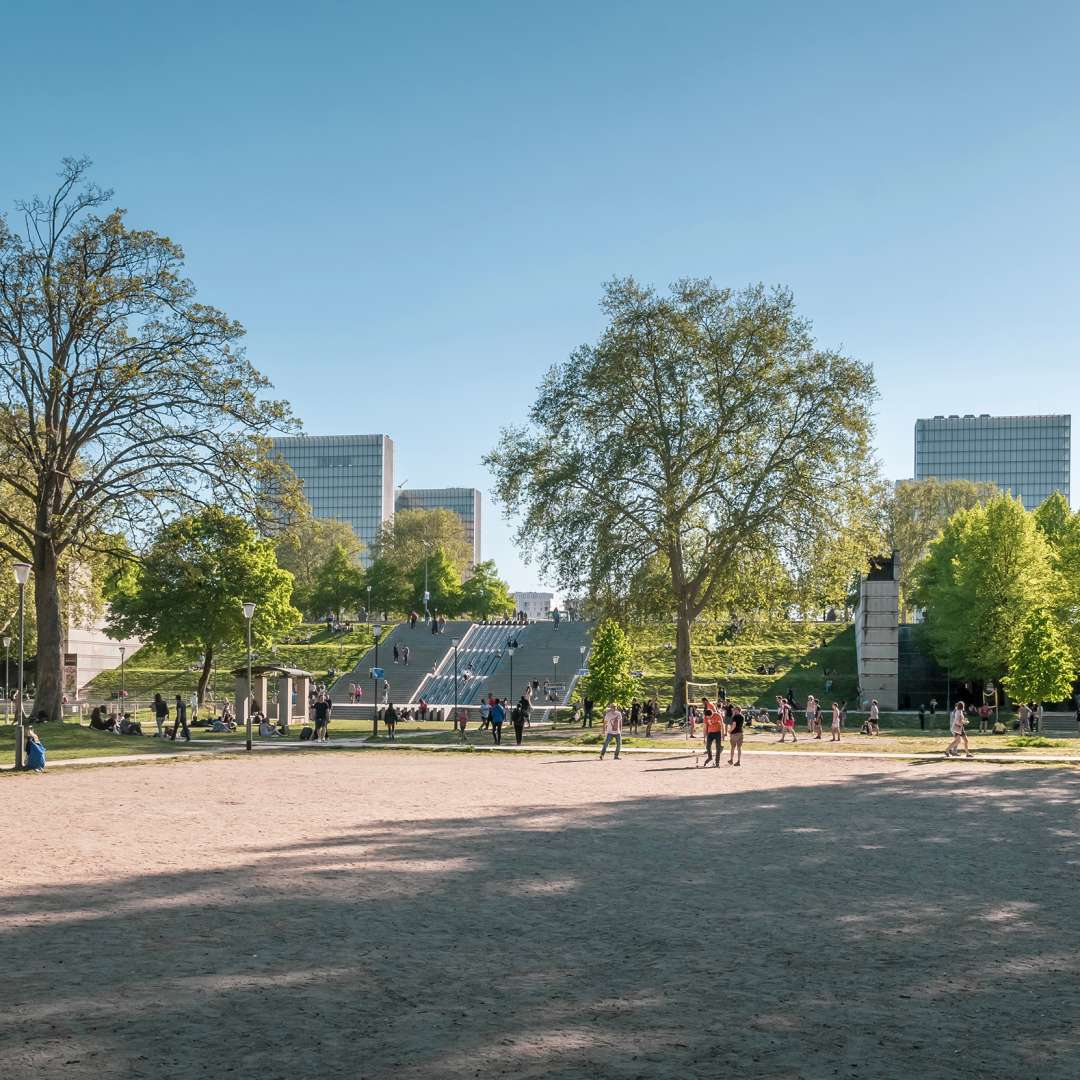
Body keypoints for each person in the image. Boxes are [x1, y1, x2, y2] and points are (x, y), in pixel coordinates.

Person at [702, 699, 724, 767]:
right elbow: (705, 727)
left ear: (712, 714)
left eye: (710, 717)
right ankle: (710, 757)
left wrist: (723, 734)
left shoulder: (717, 715)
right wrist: (704, 737)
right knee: (708, 746)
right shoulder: (706, 717)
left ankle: (717, 762)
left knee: (718, 748)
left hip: (717, 733)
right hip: (710, 733)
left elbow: (722, 724)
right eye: (707, 717)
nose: (709, 718)